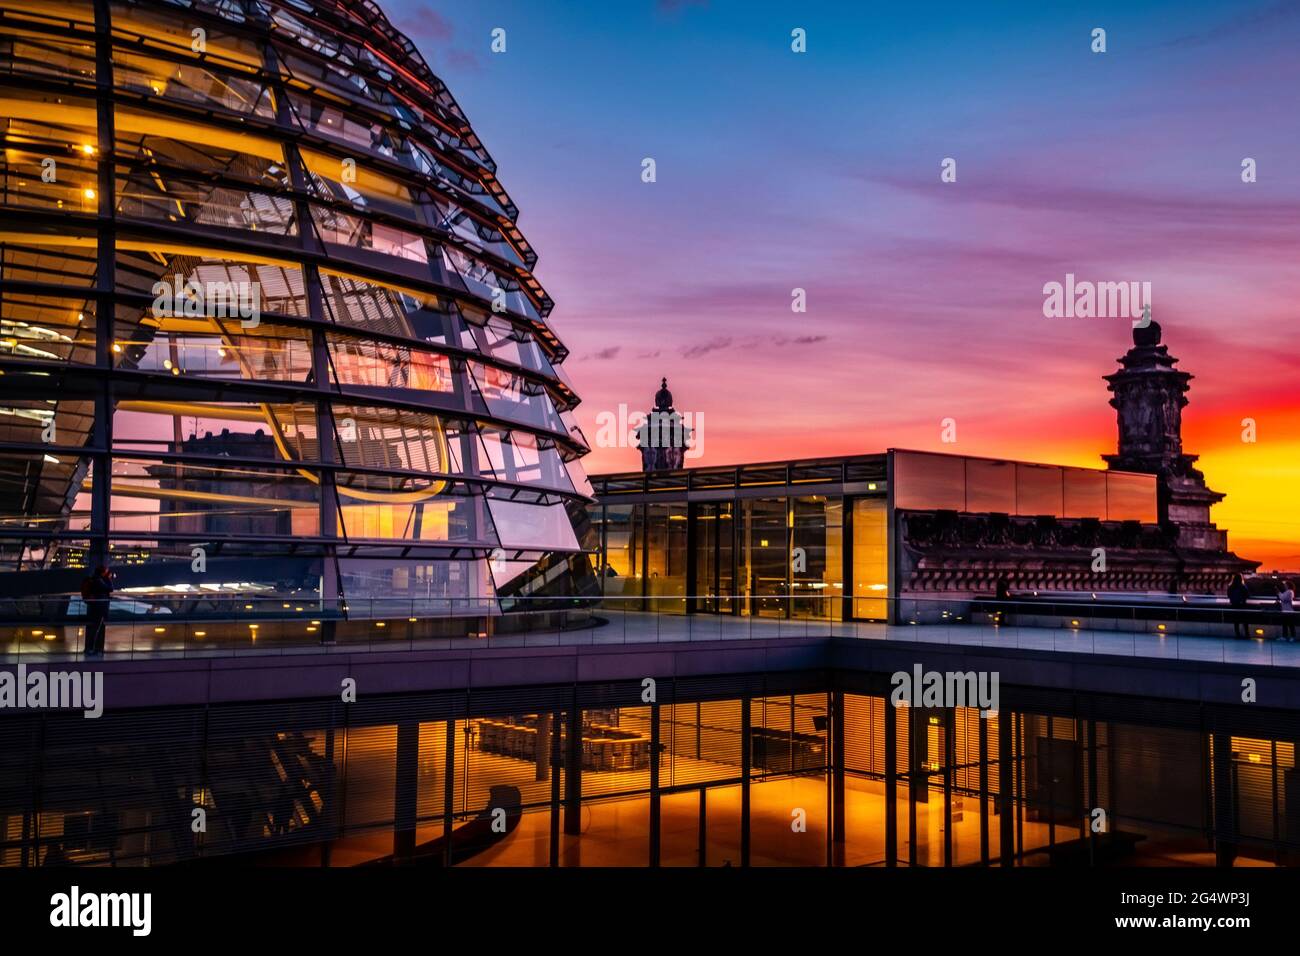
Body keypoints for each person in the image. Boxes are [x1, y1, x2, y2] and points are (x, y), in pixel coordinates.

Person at [81, 565, 114, 657]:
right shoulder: (98, 580)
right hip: (99, 607)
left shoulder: (94, 579)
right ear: (102, 572)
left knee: (95, 628)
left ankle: (93, 648)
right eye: (106, 571)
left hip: (95, 606)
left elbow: (101, 591)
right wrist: (109, 579)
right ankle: (92, 649)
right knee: (96, 628)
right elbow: (110, 588)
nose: (107, 573)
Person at [1227, 573, 1250, 639]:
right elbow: (1247, 595)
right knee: (1245, 621)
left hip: (1234, 606)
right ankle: (1247, 635)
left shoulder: (1230, 587)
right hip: (1242, 606)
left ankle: (1237, 635)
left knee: (1236, 621)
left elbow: (1228, 595)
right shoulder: (1243, 586)